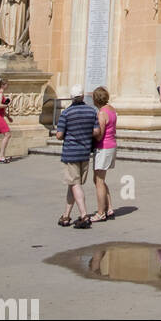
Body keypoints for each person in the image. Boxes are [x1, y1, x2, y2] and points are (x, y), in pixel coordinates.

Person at [56, 84, 98, 228]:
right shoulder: (92, 111)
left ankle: (84, 215)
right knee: (73, 184)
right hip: (85, 152)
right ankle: (66, 215)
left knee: (75, 184)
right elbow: (96, 131)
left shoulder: (66, 113)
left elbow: (59, 135)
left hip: (70, 153)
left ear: (72, 98)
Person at [90, 86, 117, 221]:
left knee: (99, 181)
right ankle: (109, 207)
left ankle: (100, 212)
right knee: (99, 179)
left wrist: (90, 132)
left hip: (103, 147)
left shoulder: (101, 113)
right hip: (111, 144)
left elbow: (99, 134)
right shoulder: (111, 109)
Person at [0, 76, 12, 163]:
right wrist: (6, 105)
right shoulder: (1, 93)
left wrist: (8, 116)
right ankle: (1, 156)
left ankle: (1, 156)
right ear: (3, 85)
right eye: (7, 84)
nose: (7, 86)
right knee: (7, 134)